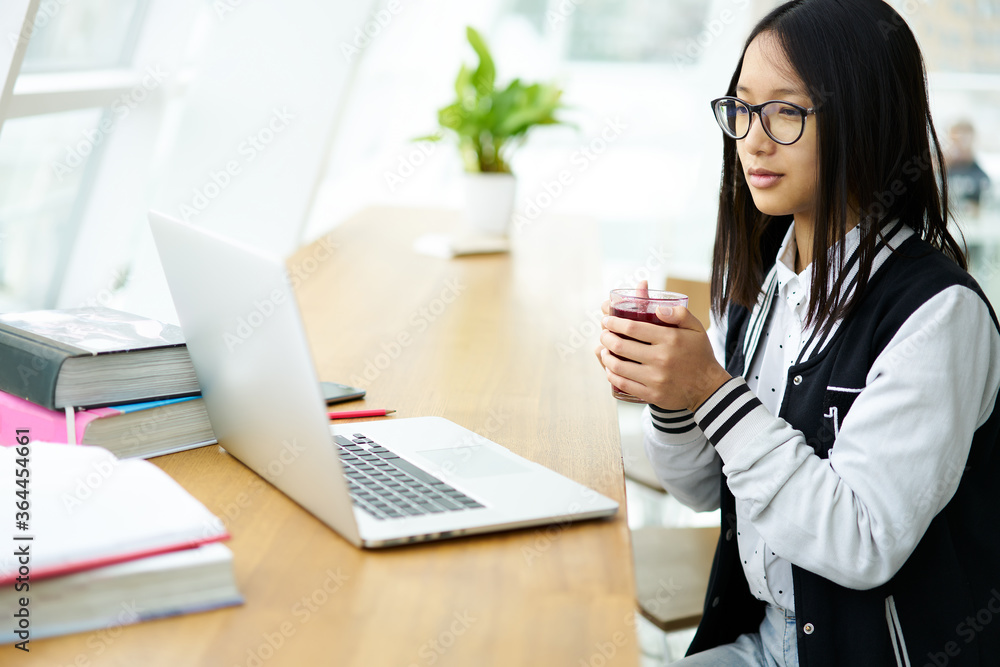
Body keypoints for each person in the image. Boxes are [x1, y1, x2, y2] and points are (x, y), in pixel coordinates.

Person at [595, 1, 1000, 666]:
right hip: (764, 642)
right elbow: (701, 487)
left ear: (866, 117)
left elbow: (862, 541)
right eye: (742, 108)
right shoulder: (763, 282)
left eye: (786, 111)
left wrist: (711, 388)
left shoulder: (939, 314)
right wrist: (673, 394)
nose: (752, 138)